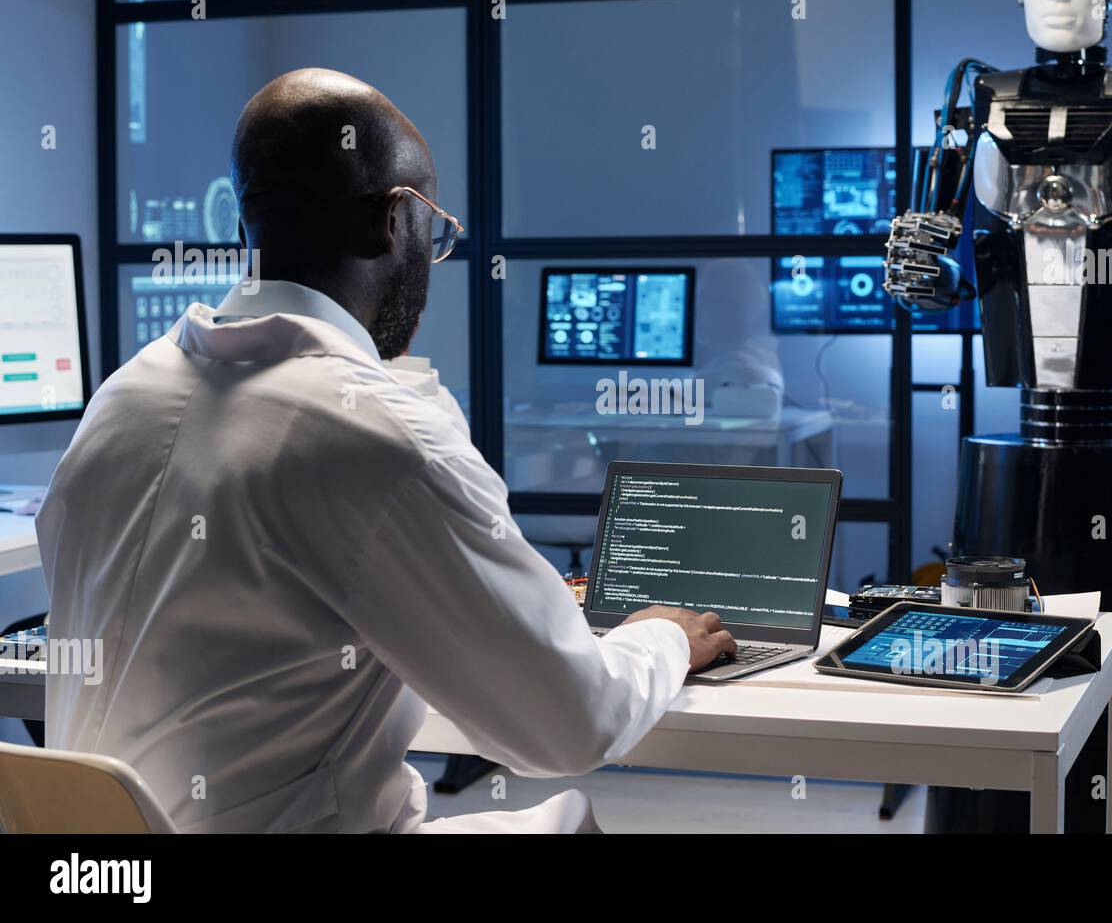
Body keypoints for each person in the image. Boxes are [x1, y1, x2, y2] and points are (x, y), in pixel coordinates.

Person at [36, 68, 735, 833]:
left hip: (99, 869)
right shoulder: (377, 432)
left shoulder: (124, 395)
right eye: (434, 226)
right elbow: (570, 724)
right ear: (393, 220)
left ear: (247, 227)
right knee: (569, 818)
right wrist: (663, 637)